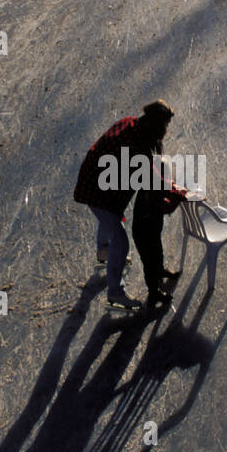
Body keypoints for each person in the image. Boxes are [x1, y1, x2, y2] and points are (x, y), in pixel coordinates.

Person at [74, 100, 174, 309]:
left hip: (94, 180)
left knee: (107, 220)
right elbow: (148, 176)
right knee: (121, 242)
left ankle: (103, 251)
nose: (165, 130)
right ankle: (115, 292)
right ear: (156, 125)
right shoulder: (137, 145)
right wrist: (168, 192)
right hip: (98, 190)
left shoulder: (131, 123)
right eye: (164, 125)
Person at [132, 168, 184, 309]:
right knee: (149, 263)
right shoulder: (151, 192)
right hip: (143, 233)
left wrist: (174, 189)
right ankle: (154, 293)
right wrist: (178, 197)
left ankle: (160, 270)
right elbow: (166, 208)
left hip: (152, 231)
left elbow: (166, 186)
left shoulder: (154, 183)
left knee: (157, 252)